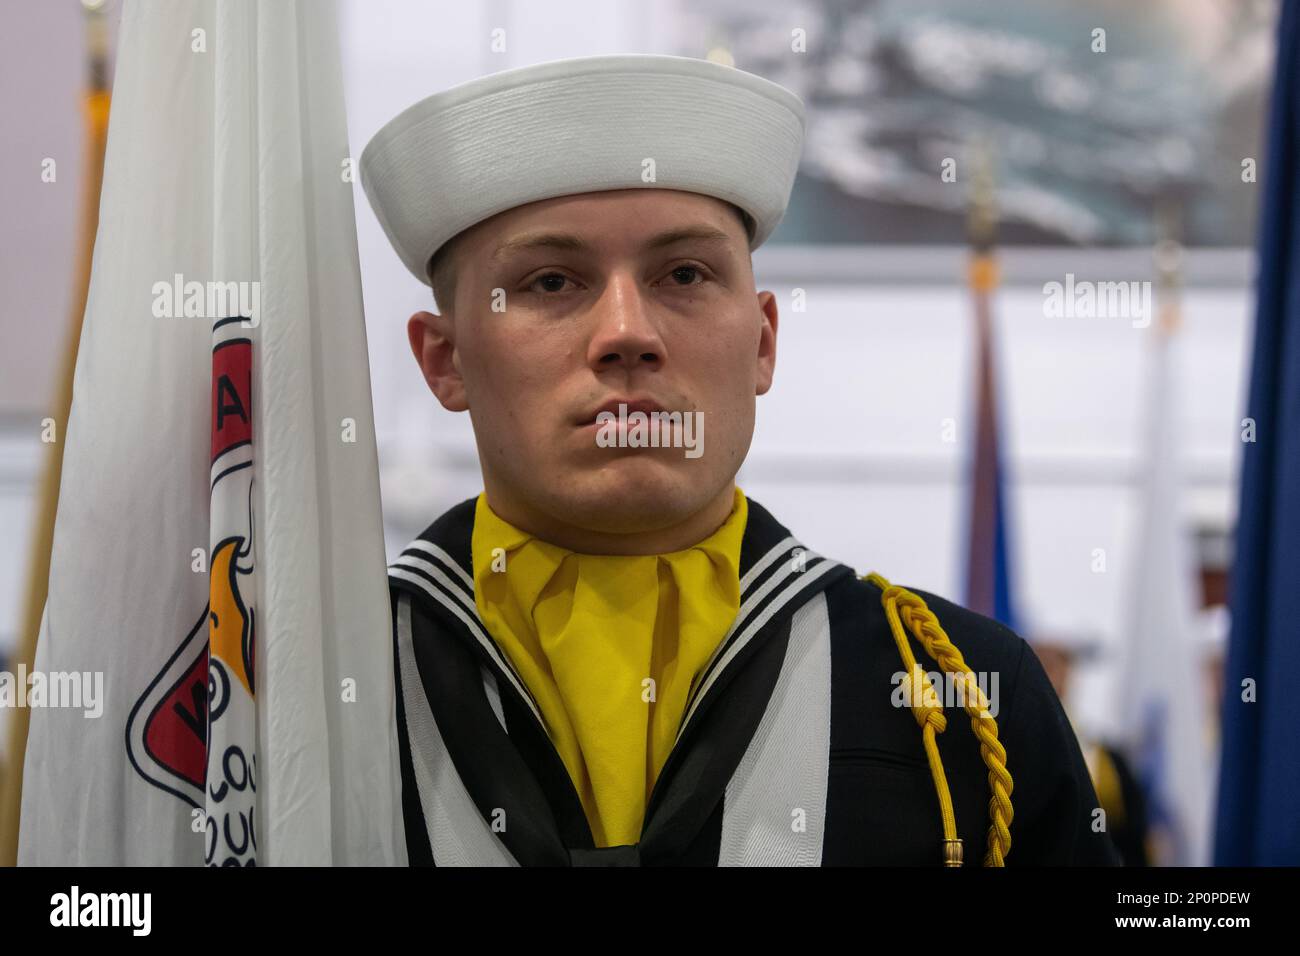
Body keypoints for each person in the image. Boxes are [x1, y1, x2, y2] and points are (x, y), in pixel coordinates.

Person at [359, 53, 1119, 866]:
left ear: (763, 341)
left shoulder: (958, 699)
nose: (627, 333)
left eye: (684, 273)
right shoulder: (321, 685)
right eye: (551, 282)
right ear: (445, 362)